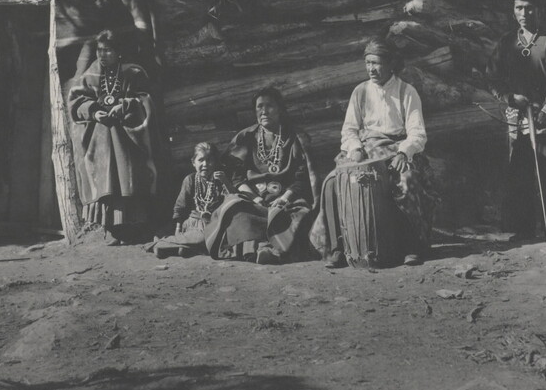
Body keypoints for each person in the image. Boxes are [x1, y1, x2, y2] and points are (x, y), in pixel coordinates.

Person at [316, 38, 438, 268]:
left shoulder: (406, 91)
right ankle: (337, 247)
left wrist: (404, 153)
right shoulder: (360, 92)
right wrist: (355, 149)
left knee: (407, 180)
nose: (371, 69)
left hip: (397, 150)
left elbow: (417, 133)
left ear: (391, 64)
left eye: (377, 63)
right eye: (368, 63)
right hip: (366, 149)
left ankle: (412, 246)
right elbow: (349, 129)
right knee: (333, 182)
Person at [486, 0, 546, 240]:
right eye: (519, 8)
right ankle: (522, 229)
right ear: (513, 12)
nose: (524, 13)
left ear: (539, 9)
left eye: (529, 7)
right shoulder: (506, 42)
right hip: (517, 115)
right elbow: (493, 77)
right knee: (519, 169)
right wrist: (509, 98)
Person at [203, 88, 317, 264]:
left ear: (280, 109)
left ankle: (269, 248)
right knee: (237, 211)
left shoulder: (295, 137)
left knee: (300, 215)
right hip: (254, 199)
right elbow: (237, 177)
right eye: (259, 107)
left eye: (269, 106)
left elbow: (300, 178)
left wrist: (284, 199)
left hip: (286, 199)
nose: (263, 111)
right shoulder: (247, 137)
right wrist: (254, 198)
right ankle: (259, 249)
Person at [68, 30, 159, 244]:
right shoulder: (90, 74)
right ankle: (111, 230)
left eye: (107, 50)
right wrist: (93, 111)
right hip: (99, 142)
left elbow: (147, 99)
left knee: (128, 179)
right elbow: (76, 102)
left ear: (118, 52)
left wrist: (125, 105)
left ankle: (134, 230)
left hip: (127, 139)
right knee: (105, 180)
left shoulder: (133, 72)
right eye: (99, 50)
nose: (102, 55)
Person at [151, 142, 230, 258]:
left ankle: (171, 246)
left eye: (209, 160)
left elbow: (232, 199)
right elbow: (180, 207)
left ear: (216, 162)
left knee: (217, 239)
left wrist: (226, 182)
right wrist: (178, 231)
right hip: (193, 224)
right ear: (193, 162)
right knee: (203, 238)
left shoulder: (220, 180)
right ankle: (167, 244)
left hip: (213, 223)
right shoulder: (190, 180)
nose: (205, 164)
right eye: (201, 160)